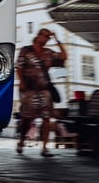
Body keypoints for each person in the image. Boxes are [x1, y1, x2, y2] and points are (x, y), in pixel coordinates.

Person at [15, 28, 67, 157]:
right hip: (29, 89)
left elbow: (64, 57)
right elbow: (19, 67)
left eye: (47, 37)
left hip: (44, 90)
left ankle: (44, 147)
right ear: (38, 36)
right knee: (27, 118)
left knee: (46, 118)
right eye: (44, 36)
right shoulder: (26, 50)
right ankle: (21, 141)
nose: (46, 39)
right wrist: (21, 82)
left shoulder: (48, 53)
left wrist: (57, 39)